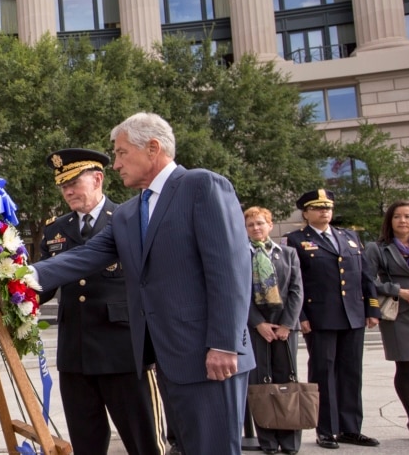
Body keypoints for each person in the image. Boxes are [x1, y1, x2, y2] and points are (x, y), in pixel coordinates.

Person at [31, 113, 254, 455]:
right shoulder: (130, 212)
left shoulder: (201, 186)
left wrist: (225, 343)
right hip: (166, 357)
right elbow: (87, 256)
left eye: (121, 153)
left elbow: (230, 270)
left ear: (153, 148)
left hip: (211, 355)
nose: (116, 164)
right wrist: (21, 276)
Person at [37, 148, 165, 455]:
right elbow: (43, 287)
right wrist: (9, 293)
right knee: (86, 444)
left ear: (97, 179)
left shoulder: (130, 219)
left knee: (144, 441)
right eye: (63, 185)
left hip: (123, 351)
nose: (67, 191)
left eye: (74, 182)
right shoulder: (56, 229)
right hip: (76, 354)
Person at [285, 189, 380, 449]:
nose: (324, 212)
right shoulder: (295, 240)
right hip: (320, 316)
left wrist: (372, 309)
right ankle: (326, 429)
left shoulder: (349, 237)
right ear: (305, 213)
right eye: (317, 208)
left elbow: (365, 276)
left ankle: (351, 428)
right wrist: (300, 315)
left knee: (351, 373)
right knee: (323, 372)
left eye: (327, 207)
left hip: (353, 314)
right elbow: (295, 282)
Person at [243, 206, 305, 454]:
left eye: (260, 223)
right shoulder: (240, 255)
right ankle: (267, 441)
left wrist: (287, 324)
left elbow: (296, 290)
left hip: (285, 327)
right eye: (251, 225)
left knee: (287, 382)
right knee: (261, 385)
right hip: (257, 327)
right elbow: (240, 293)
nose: (256, 228)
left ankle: (289, 441)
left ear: (270, 225)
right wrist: (258, 323)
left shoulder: (288, 253)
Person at [364, 201, 409, 444]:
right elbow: (368, 280)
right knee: (405, 368)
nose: (403, 221)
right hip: (399, 313)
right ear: (390, 221)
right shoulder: (377, 248)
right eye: (397, 217)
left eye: (408, 216)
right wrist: (399, 290)